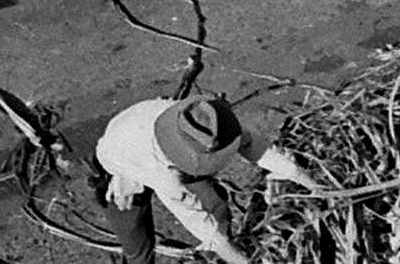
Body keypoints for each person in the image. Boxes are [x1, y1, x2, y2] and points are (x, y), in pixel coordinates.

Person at [93, 93, 308, 264]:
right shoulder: (166, 177)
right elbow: (198, 221)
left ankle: (217, 253)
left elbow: (252, 144)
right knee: (138, 247)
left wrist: (306, 180)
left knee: (216, 205)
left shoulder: (208, 123)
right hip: (120, 168)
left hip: (152, 141)